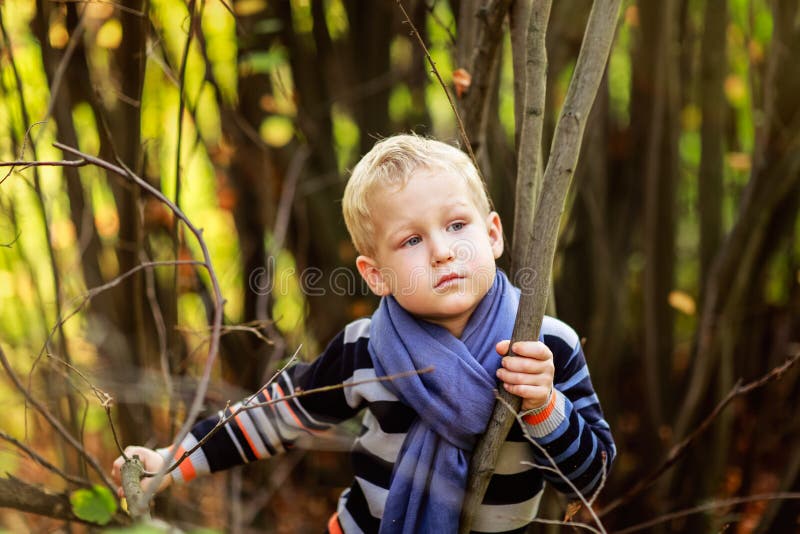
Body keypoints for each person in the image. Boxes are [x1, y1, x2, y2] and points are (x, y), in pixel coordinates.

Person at [112, 134, 615, 534]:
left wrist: (543, 405)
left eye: (457, 225)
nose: (442, 251)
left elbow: (588, 480)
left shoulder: (545, 347)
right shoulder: (365, 347)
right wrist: (171, 461)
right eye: (411, 240)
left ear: (493, 234)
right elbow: (277, 415)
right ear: (375, 275)